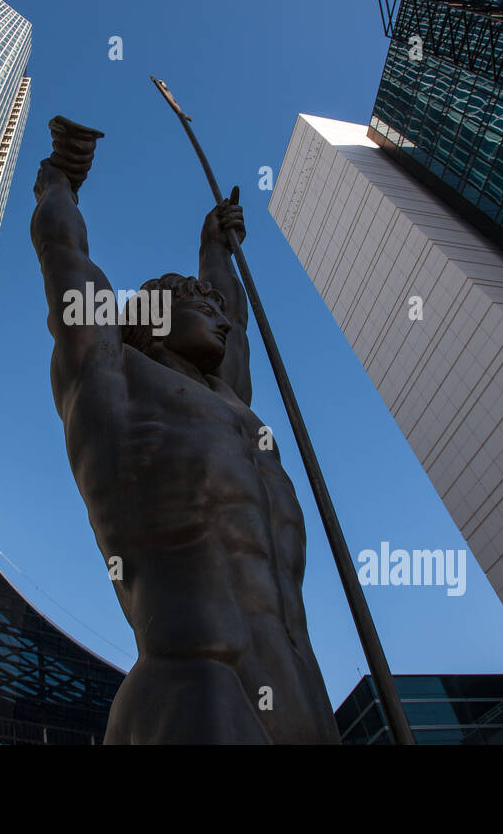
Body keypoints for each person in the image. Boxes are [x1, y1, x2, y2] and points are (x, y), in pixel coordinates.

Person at [30, 139, 339, 743]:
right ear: (151, 316)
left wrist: (214, 248)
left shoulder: (234, 408)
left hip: (302, 697)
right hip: (199, 689)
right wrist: (59, 185)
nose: (220, 316)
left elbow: (238, 320)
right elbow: (65, 258)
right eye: (201, 304)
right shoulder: (112, 379)